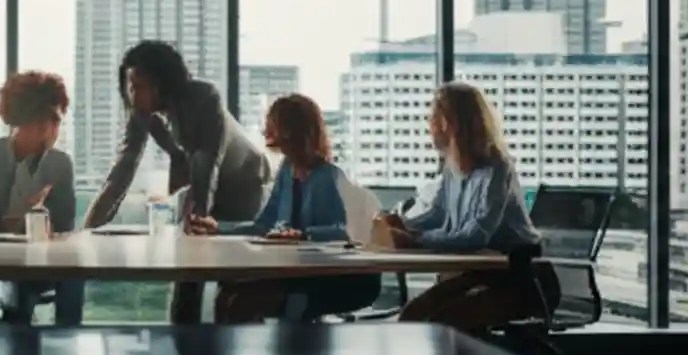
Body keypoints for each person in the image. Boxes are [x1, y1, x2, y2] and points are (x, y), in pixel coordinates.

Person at [83, 41, 271, 324]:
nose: (133, 94)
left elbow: (207, 167)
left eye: (140, 86)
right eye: (129, 86)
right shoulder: (142, 116)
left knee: (232, 274)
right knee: (186, 275)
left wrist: (196, 220)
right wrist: (87, 230)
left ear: (163, 84)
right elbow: (121, 172)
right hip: (197, 178)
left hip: (243, 179)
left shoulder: (204, 98)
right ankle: (182, 341)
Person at [188, 94, 380, 322]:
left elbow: (344, 231)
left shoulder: (329, 177)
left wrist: (304, 235)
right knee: (227, 295)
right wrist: (218, 228)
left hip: (330, 276)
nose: (265, 131)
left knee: (240, 302)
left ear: (290, 130)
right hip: (294, 270)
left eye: (272, 125)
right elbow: (263, 225)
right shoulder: (286, 171)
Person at [383, 82, 554, 330]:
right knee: (413, 315)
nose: (428, 124)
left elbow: (476, 234)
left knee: (443, 321)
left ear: (449, 123)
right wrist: (399, 225)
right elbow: (436, 214)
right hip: (479, 275)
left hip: (521, 279)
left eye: (433, 116)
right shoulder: (453, 170)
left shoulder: (496, 169)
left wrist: (416, 239)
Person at [0, 71, 83, 325]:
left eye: (56, 121)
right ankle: (17, 344)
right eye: (49, 121)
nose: (53, 129)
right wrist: (16, 226)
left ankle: (67, 341)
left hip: (41, 257)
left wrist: (37, 222)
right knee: (20, 283)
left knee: (73, 274)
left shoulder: (59, 163)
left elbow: (65, 225)